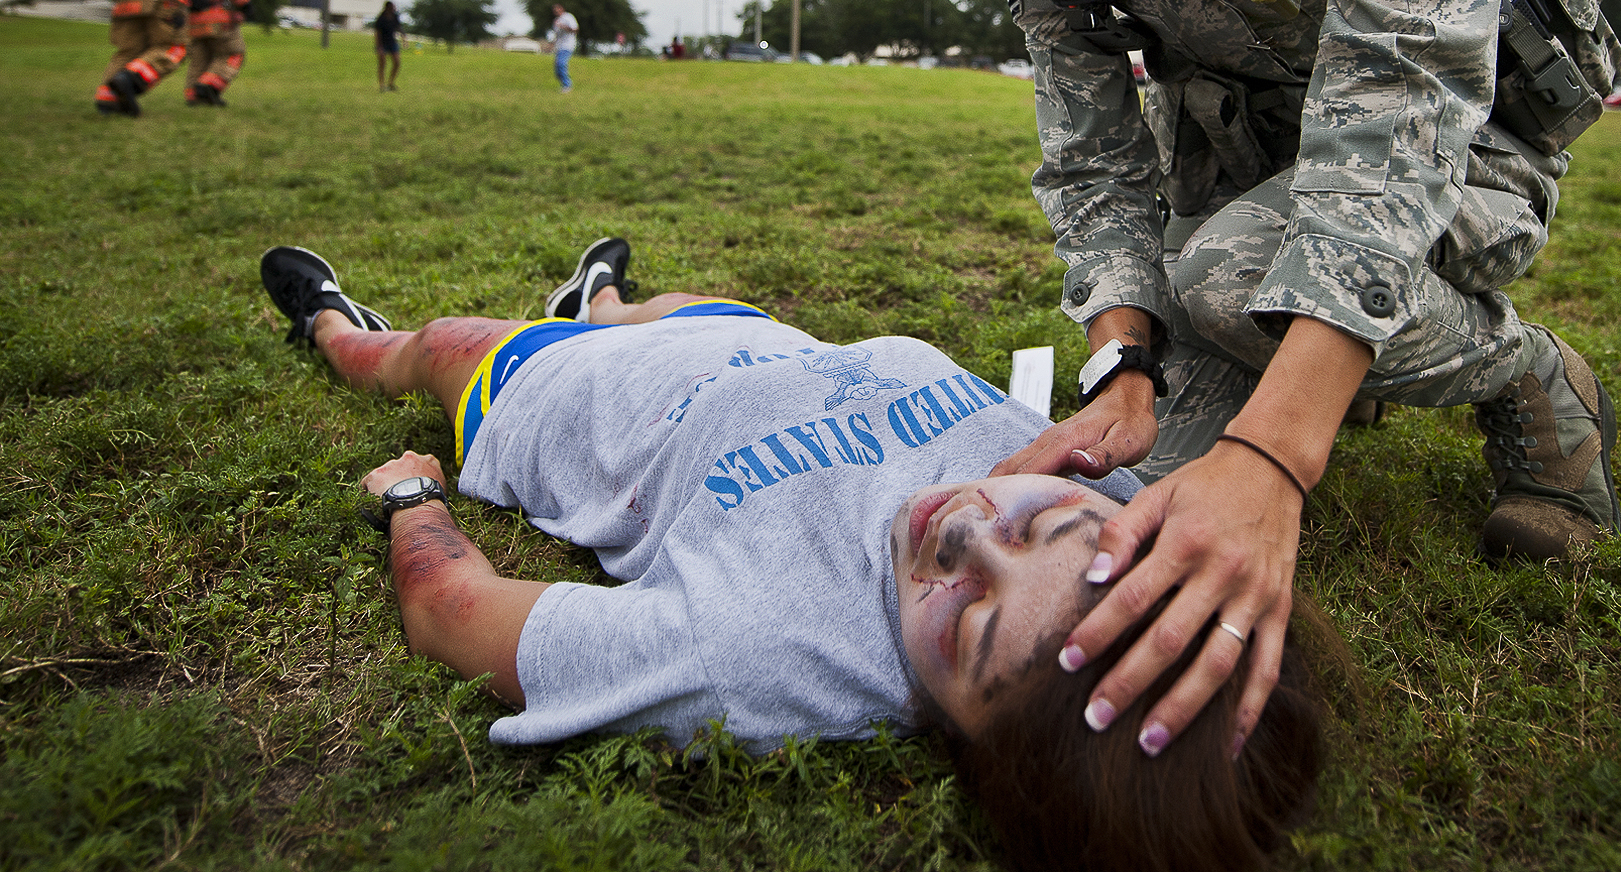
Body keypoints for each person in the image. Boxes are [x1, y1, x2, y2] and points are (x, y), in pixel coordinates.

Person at [861, 0, 1621, 760]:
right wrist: (1122, 360)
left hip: (1456, 161)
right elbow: (1095, 155)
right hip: (1249, 198)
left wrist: (1278, 452)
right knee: (1148, 495)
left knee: (1229, 283)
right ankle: (1310, 350)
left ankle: (1528, 372)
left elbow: (1401, 108)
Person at [258, 240, 1328, 872]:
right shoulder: (1127, 496)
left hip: (549, 389)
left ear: (964, 738)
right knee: (667, 306)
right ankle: (605, 300)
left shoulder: (754, 655)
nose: (960, 532)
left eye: (969, 620)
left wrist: (411, 502)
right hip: (753, 336)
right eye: (1039, 525)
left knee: (434, 343)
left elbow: (452, 612)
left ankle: (335, 328)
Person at [373, 0, 402, 91]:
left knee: (397, 62)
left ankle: (391, 83)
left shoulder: (395, 17)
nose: (394, 8)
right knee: (382, 64)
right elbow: (377, 33)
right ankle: (382, 85)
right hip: (382, 43)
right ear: (387, 7)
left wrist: (404, 37)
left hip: (392, 42)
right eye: (392, 7)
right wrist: (379, 47)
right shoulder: (381, 18)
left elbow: (398, 27)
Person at [550, 3, 579, 91]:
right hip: (559, 46)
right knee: (557, 69)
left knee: (561, 64)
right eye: (554, 10)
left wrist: (563, 27)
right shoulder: (556, 21)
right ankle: (563, 81)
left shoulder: (568, 17)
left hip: (568, 45)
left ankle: (567, 85)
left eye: (557, 9)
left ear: (562, 9)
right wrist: (552, 44)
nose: (556, 11)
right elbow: (556, 35)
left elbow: (575, 30)